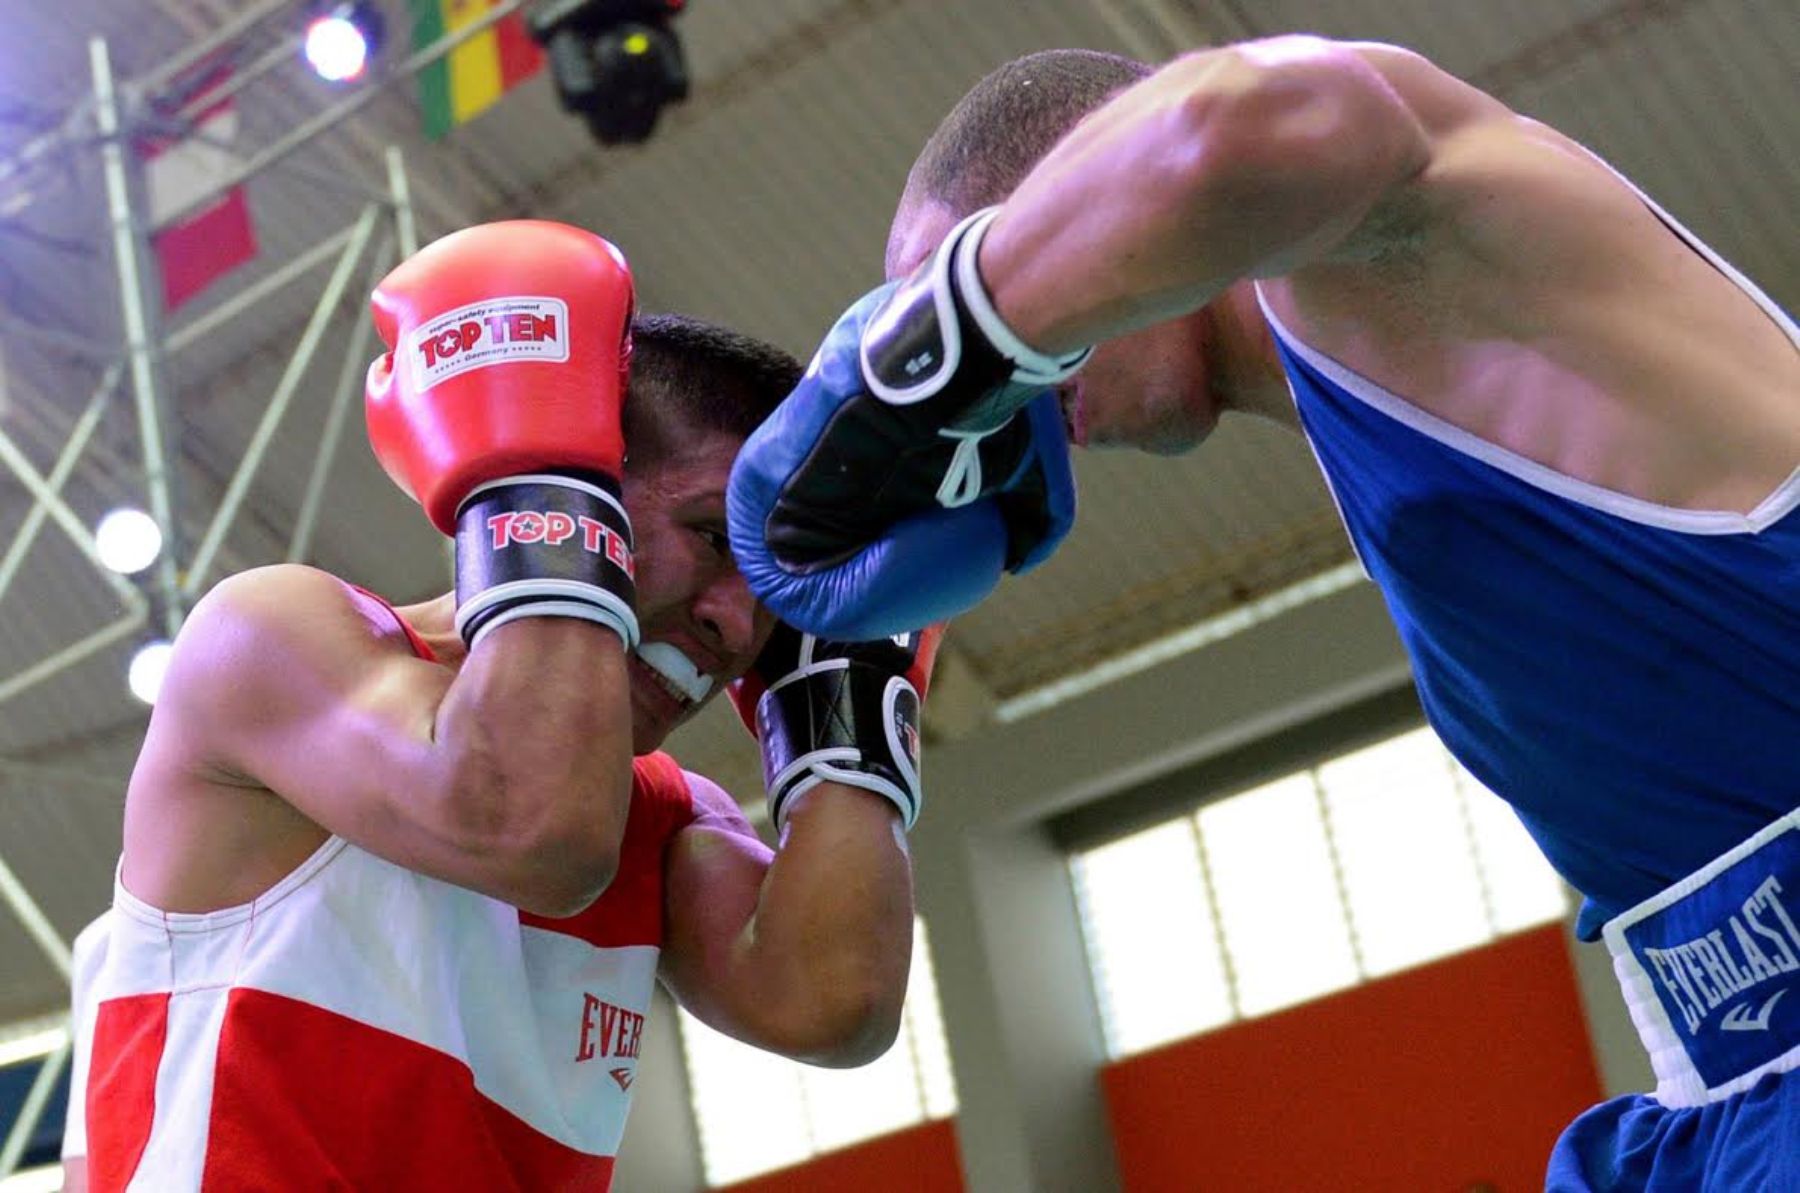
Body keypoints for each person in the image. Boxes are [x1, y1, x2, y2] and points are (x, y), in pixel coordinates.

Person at [726, 38, 1799, 1191]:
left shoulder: (1395, 245)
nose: (999, 398)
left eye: (963, 274)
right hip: (1730, 1092)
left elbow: (1231, 125)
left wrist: (933, 348)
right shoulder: (1364, 405)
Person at [60, 220, 937, 1192]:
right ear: (596, 475)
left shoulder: (665, 816)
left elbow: (833, 1001)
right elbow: (528, 823)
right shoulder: (270, 637)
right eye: (711, 535)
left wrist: (852, 683)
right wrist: (541, 486)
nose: (737, 624)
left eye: (772, 595)